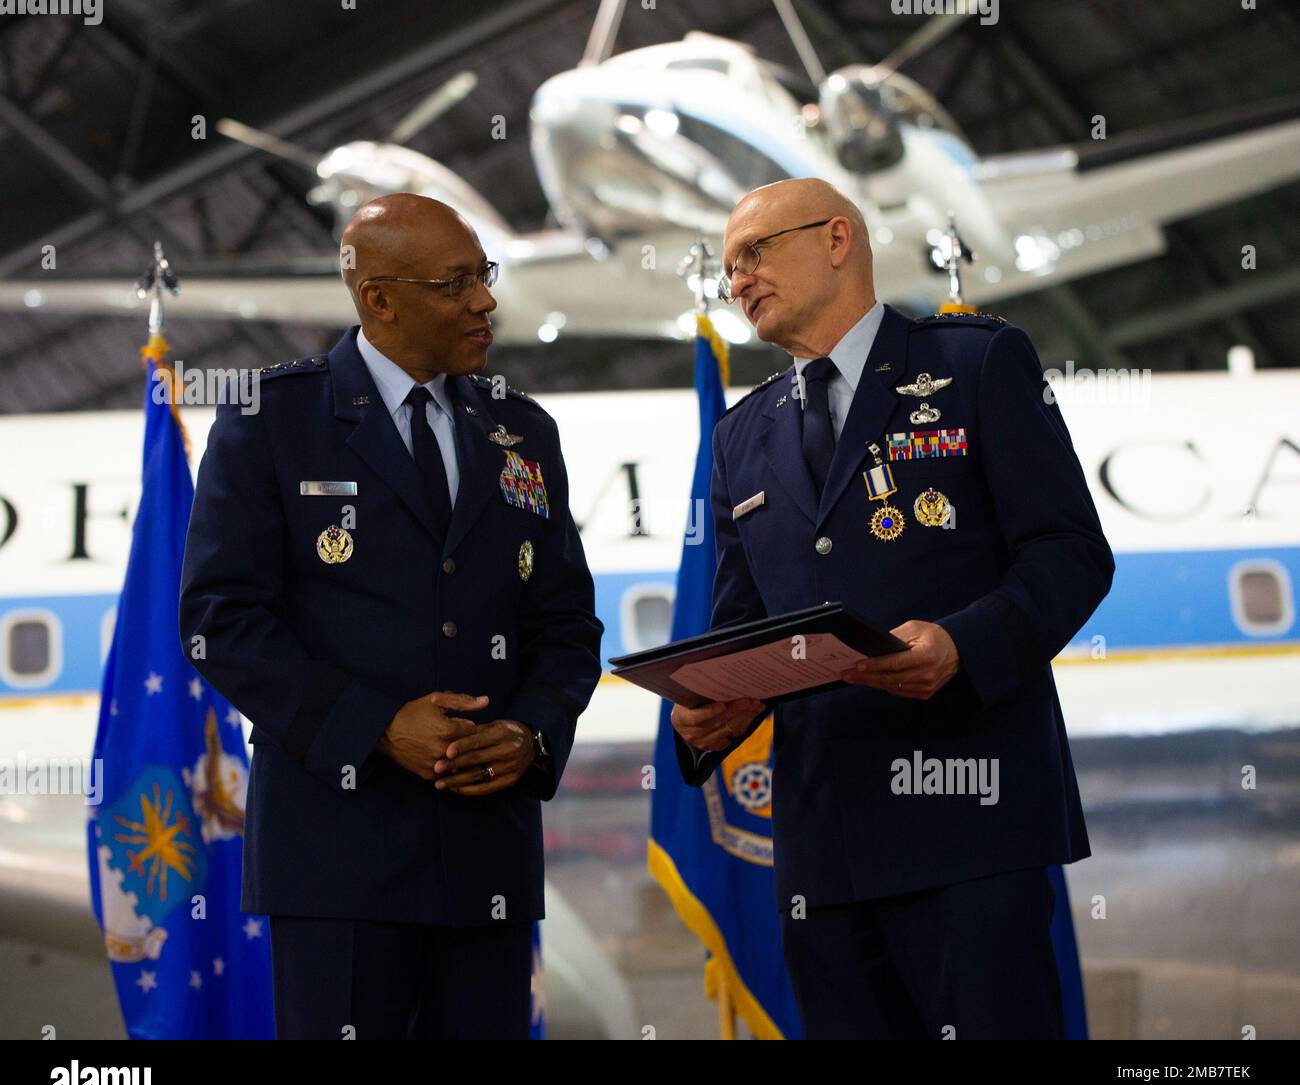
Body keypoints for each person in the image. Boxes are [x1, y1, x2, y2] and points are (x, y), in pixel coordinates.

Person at [670, 177, 1114, 1039]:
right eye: (729, 268)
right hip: (824, 847)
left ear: (838, 240)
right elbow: (744, 624)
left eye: (755, 252)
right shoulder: (741, 436)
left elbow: (1071, 555)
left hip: (971, 822)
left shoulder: (975, 363)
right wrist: (718, 704)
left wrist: (961, 643)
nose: (739, 280)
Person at [180, 192, 602, 1039]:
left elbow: (566, 626)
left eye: (483, 275)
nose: (484, 300)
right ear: (379, 299)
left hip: (488, 856)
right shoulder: (273, 421)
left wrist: (531, 733)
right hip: (338, 862)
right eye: (455, 284)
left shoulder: (523, 432)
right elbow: (220, 621)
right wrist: (376, 726)